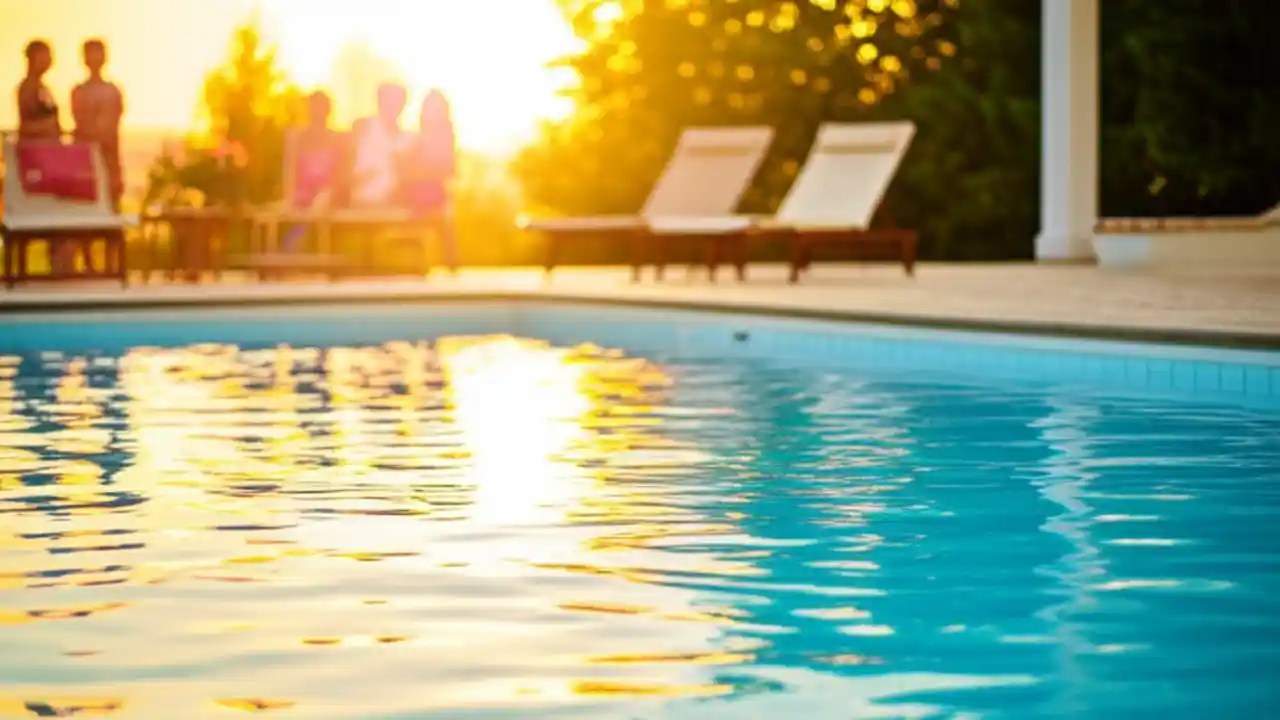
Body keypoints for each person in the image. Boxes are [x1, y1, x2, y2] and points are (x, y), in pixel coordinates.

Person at [400, 89, 458, 272]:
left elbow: (449, 169)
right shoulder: (417, 139)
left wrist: (428, 173)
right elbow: (407, 169)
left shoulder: (447, 137)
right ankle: (415, 261)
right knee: (417, 214)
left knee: (443, 215)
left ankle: (448, 262)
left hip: (435, 193)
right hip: (416, 192)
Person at [71, 39, 125, 209]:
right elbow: (80, 124)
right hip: (85, 161)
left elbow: (114, 129)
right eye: (91, 54)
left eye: (98, 53)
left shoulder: (113, 91)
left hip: (108, 158)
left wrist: (116, 169)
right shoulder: (79, 91)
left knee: (112, 212)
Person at [350, 82, 408, 207]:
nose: (392, 104)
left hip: (393, 206)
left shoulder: (406, 139)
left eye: (397, 100)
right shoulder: (363, 127)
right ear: (378, 101)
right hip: (362, 203)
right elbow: (347, 167)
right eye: (387, 99)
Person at [16, 40, 60, 140]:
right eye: (46, 56)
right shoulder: (28, 87)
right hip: (35, 147)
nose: (50, 60)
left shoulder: (42, 87)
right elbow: (27, 125)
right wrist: (47, 125)